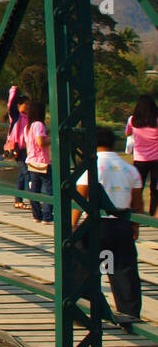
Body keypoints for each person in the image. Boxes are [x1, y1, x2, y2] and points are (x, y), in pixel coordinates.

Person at [72, 127, 145, 328]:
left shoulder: (91, 166)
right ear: (113, 144)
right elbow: (137, 202)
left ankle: (83, 312)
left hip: (95, 224)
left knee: (84, 269)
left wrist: (72, 224)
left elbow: (80, 196)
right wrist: (135, 225)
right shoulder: (129, 168)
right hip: (120, 225)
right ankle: (129, 316)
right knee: (123, 271)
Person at [125, 94, 158, 216]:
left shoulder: (132, 120)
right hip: (156, 159)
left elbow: (127, 133)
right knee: (155, 189)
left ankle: (136, 213)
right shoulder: (156, 120)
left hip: (139, 159)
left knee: (138, 187)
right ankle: (153, 213)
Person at [24, 101, 51, 223]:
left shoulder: (27, 127)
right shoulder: (39, 125)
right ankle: (47, 216)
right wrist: (52, 139)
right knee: (50, 189)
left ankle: (36, 215)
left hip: (31, 160)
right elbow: (40, 142)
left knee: (35, 189)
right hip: (42, 161)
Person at [4, 90, 31, 209]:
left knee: (21, 174)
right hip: (18, 149)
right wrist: (13, 91)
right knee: (27, 173)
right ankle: (34, 200)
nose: (28, 106)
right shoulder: (16, 116)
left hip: (27, 149)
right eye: (26, 104)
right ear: (19, 105)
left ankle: (18, 200)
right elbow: (10, 106)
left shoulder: (27, 117)